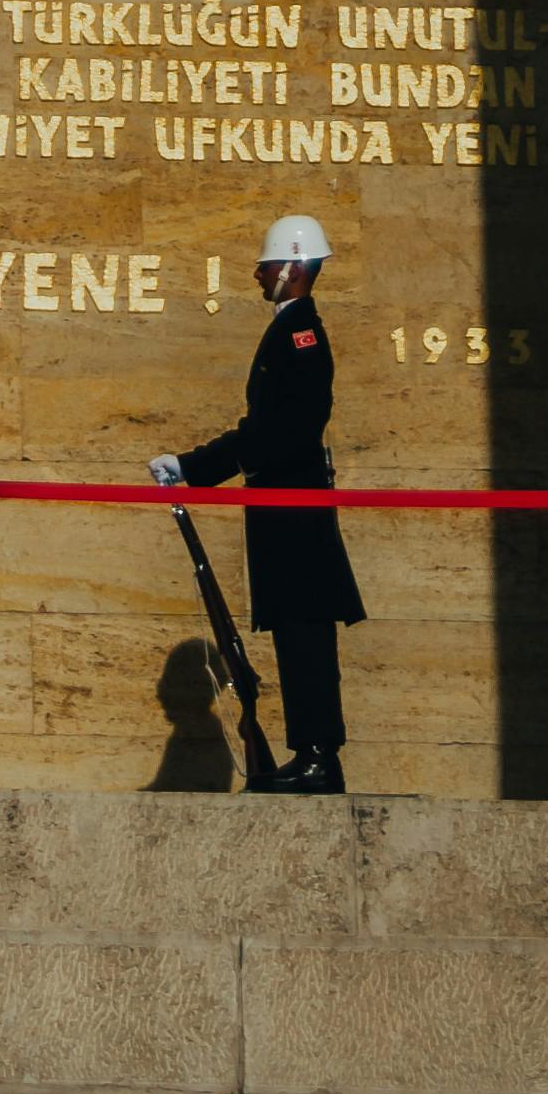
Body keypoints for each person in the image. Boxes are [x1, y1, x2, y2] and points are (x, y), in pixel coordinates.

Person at [150, 210, 363, 794]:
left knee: (306, 634)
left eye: (266, 263)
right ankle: (312, 752)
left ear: (292, 268)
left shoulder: (300, 336)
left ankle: (319, 755)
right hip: (284, 505)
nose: (255, 272)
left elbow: (280, 431)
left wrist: (196, 466)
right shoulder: (290, 331)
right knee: (297, 632)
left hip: (293, 506)